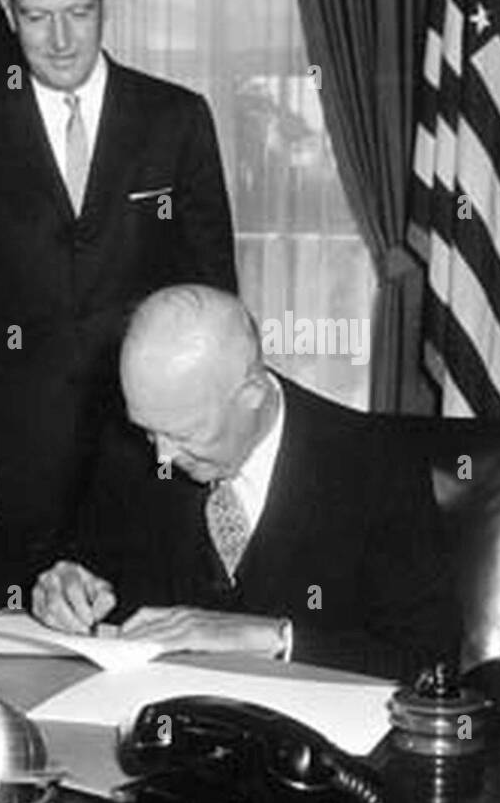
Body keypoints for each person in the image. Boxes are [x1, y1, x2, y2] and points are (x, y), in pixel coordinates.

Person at [0, 0, 238, 604]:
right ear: (7, 12)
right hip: (8, 462)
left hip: (149, 454)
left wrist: (217, 440)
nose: (60, 40)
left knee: (143, 653)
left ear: (105, 1)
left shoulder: (176, 119)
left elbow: (215, 297)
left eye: (78, 13)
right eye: (36, 16)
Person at [31, 285, 459, 682]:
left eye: (185, 435)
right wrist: (69, 587)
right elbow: (94, 567)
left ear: (252, 393)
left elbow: (430, 659)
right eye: (146, 430)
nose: (161, 456)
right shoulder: (135, 446)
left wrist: (272, 638)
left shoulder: (373, 464)